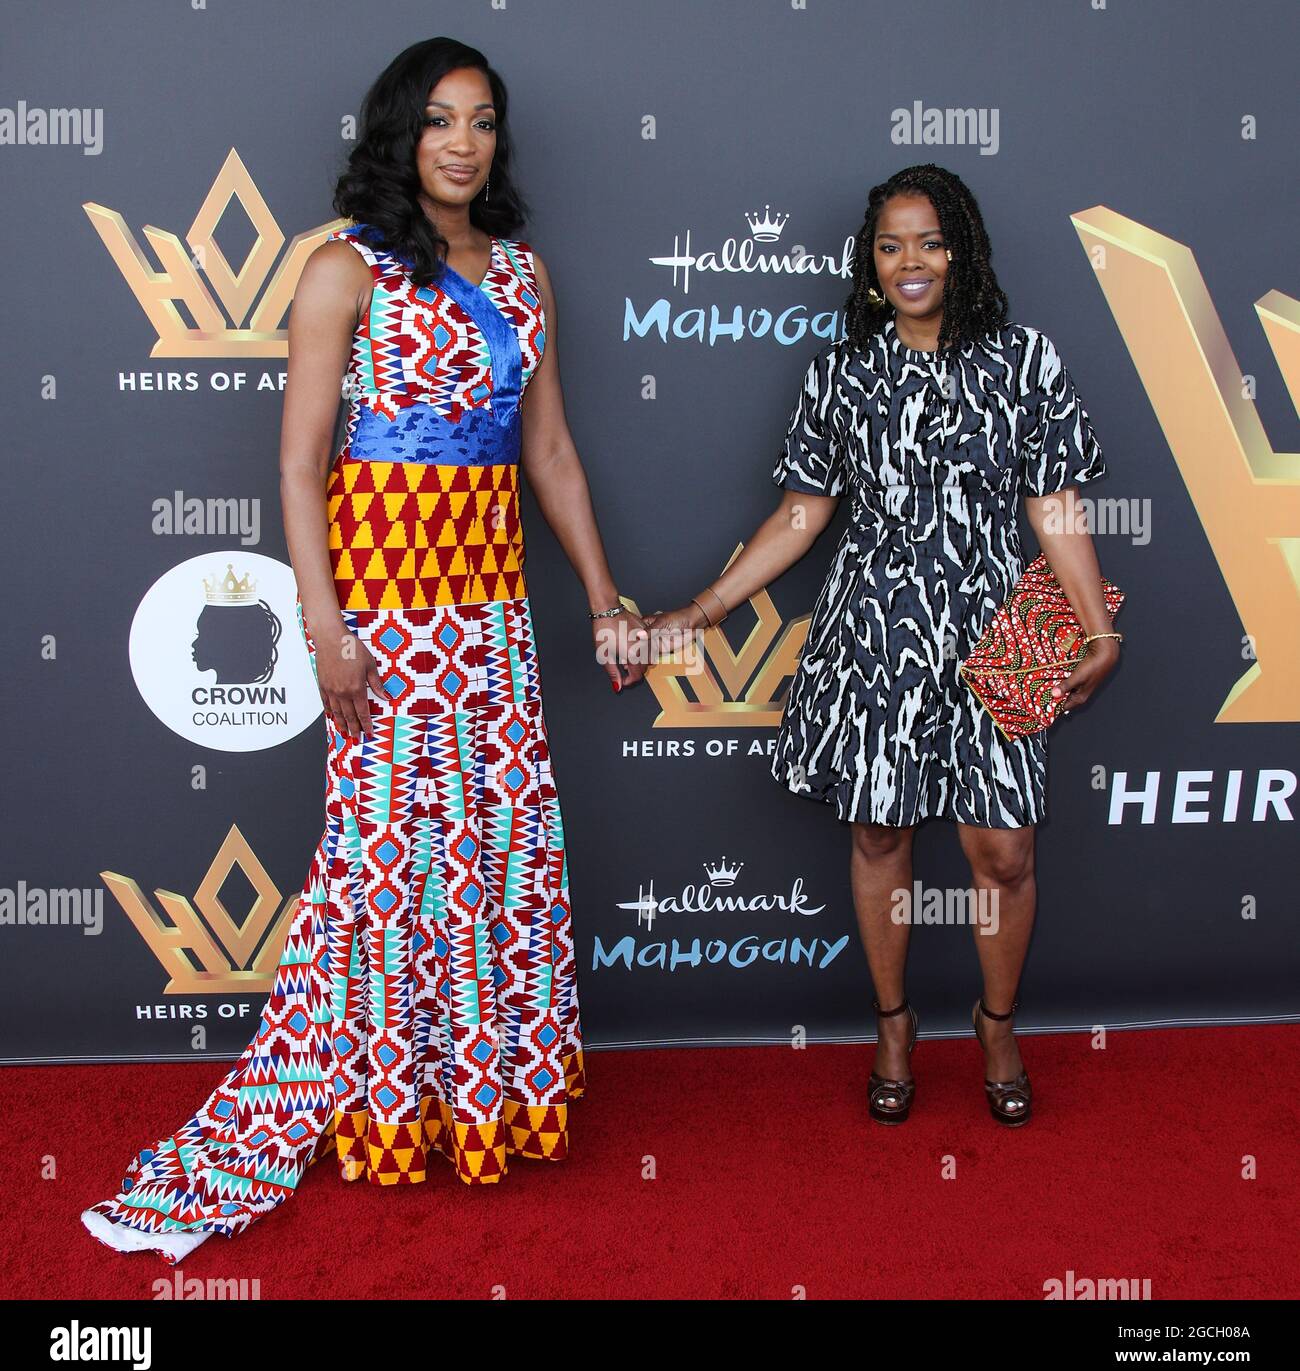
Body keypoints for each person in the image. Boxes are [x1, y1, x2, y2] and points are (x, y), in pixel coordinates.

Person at [82, 36, 648, 1261]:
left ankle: (479, 1094)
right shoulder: (343, 269)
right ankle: (389, 1105)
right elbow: (299, 465)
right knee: (385, 862)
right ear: (397, 132)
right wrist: (322, 627)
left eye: (482, 120)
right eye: (439, 118)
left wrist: (602, 594)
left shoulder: (522, 275)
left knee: (494, 849)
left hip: (491, 610)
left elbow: (546, 453)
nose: (461, 141)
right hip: (383, 607)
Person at [647, 164, 1121, 1128]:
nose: (911, 262)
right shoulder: (842, 368)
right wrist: (702, 608)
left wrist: (1098, 625)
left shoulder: (1024, 359)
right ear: (870, 260)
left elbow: (1055, 505)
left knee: (1004, 849)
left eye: (931, 241)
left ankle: (995, 1026)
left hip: (998, 630)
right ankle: (894, 1027)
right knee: (879, 832)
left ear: (964, 251)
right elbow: (800, 514)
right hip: (875, 629)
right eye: (891, 244)